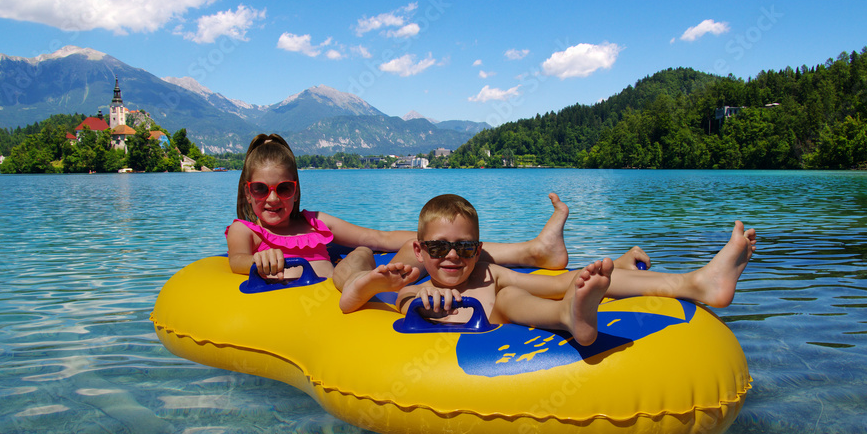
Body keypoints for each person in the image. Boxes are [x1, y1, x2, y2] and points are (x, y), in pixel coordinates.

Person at [338, 194, 757, 346]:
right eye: (438, 247)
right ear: (419, 251)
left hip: (509, 299)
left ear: (479, 249)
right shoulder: (417, 287)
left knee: (560, 283)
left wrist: (585, 280)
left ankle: (698, 283)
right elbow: (348, 302)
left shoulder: (486, 272)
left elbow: (556, 281)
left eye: (464, 247)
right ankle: (568, 316)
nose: (452, 257)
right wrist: (374, 281)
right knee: (506, 302)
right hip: (475, 321)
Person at [226, 134, 598, 282]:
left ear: (296, 189)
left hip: (358, 284)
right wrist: (261, 259)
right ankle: (535, 252)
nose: (272, 198)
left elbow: (379, 237)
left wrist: (427, 241)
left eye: (283, 188)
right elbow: (238, 260)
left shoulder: (315, 222)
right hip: (332, 295)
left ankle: (534, 251)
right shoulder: (249, 230)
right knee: (385, 256)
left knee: (441, 251)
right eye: (261, 189)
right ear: (248, 190)